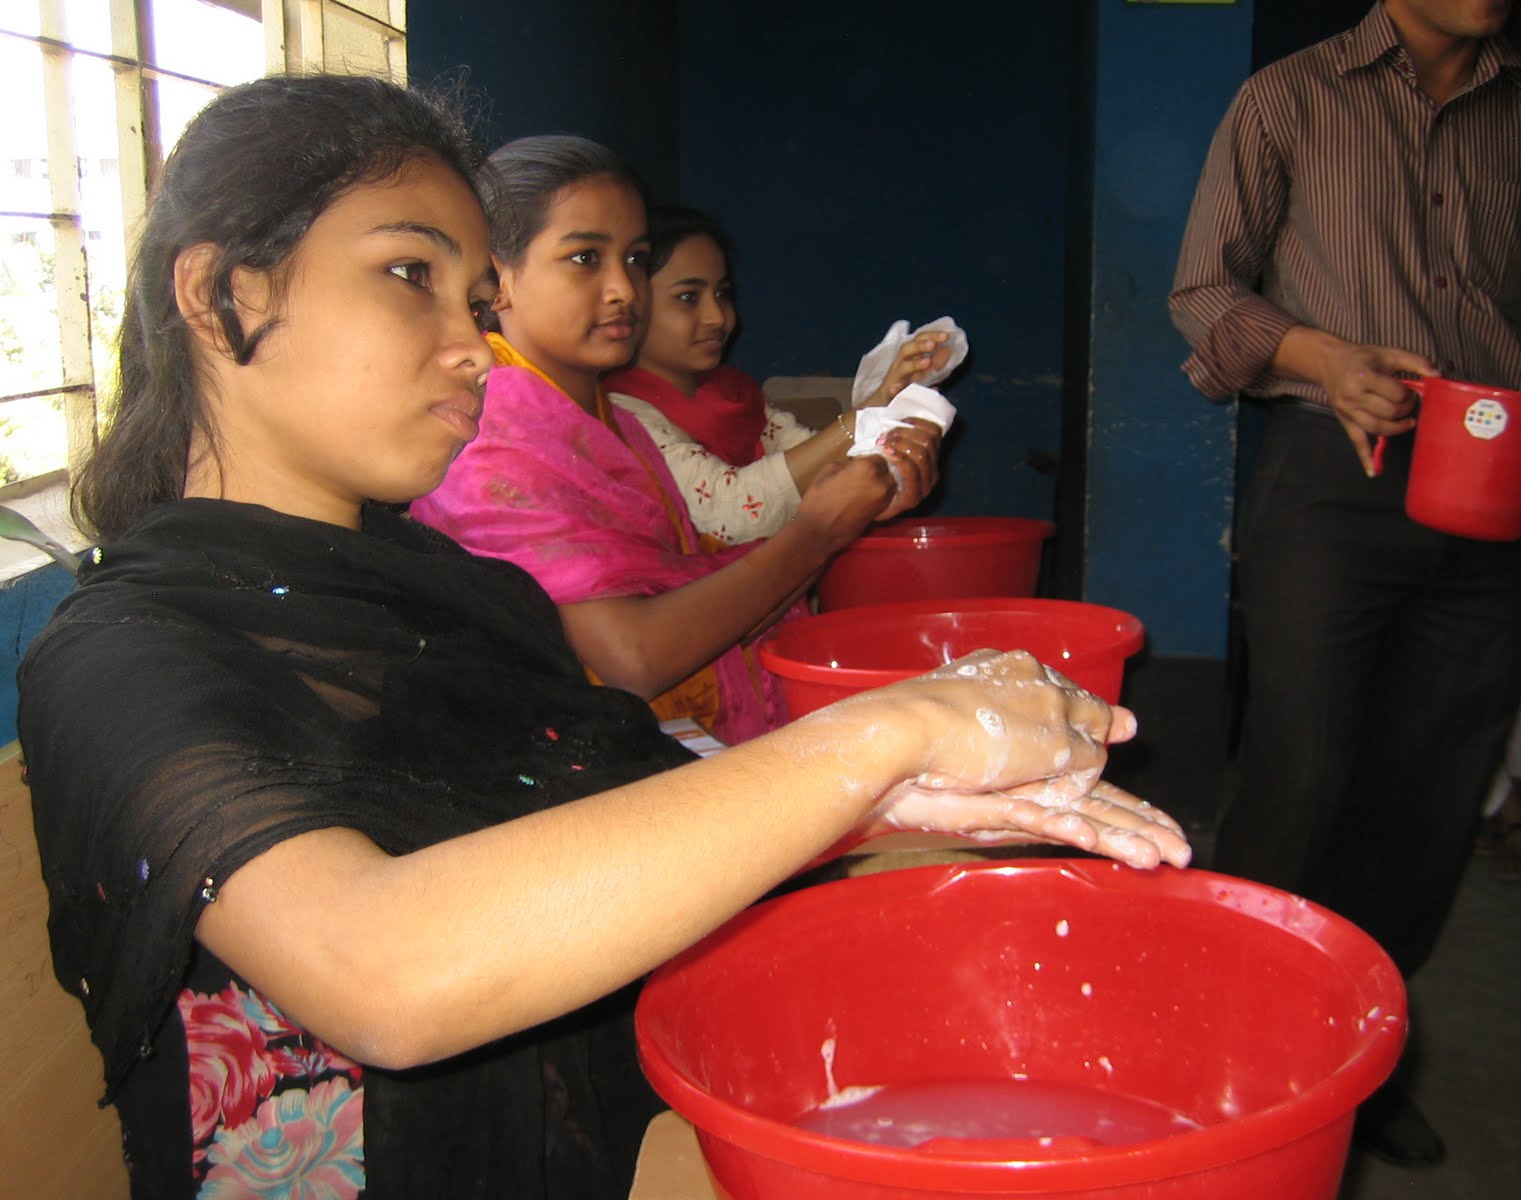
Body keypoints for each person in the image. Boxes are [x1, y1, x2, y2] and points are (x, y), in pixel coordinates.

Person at [17, 74, 1191, 1199]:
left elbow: (608, 812)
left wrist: (884, 802)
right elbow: (382, 968)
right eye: (406, 274)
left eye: (478, 303)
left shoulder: (460, 593)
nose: (474, 346)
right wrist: (873, 741)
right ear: (223, 293)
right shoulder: (122, 651)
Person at [1169, 0, 1521, 1166]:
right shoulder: (1291, 98)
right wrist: (1321, 356)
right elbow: (1203, 289)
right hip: (1334, 475)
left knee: (1430, 795)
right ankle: (1221, 1054)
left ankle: (1360, 1061)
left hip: (1507, 482)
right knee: (1300, 772)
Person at [408, 138, 941, 745]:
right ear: (497, 280)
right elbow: (633, 659)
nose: (623, 290)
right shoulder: (489, 439)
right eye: (585, 258)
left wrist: (852, 514)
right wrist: (819, 530)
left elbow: (699, 598)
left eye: (635, 259)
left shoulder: (614, 424)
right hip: (564, 781)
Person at [606, 204, 954, 544]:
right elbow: (730, 510)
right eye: (687, 297)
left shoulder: (733, 395)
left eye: (722, 294)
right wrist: (868, 411)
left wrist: (894, 455)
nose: (717, 316)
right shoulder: (619, 414)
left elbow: (821, 466)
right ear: (632, 304)